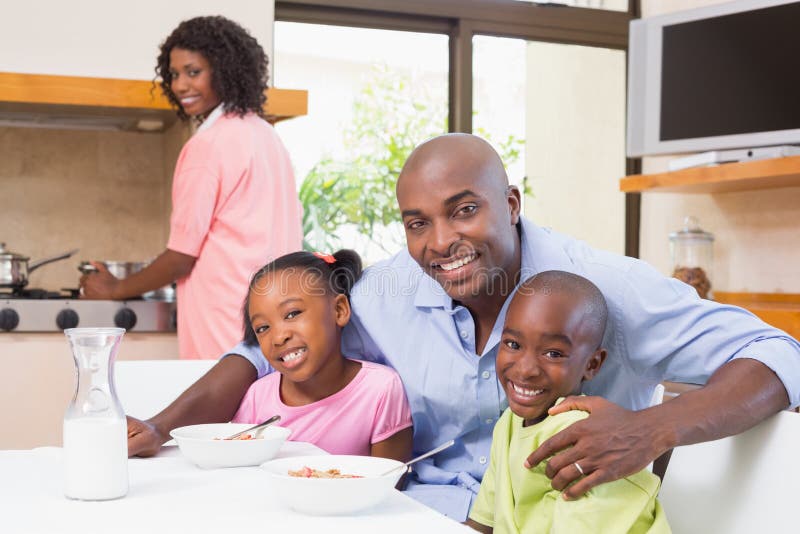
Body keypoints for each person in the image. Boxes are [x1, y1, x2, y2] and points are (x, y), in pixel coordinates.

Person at [125, 133, 799, 521]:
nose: (440, 241)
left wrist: (653, 429)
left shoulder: (603, 289)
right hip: (408, 515)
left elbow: (777, 352)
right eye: (418, 222)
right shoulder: (389, 287)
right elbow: (259, 354)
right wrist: (158, 427)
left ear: (508, 204)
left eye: (464, 210)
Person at [79, 16, 302, 359]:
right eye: (174, 74)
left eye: (193, 72)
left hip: (225, 326)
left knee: (219, 415)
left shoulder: (207, 146)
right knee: (260, 413)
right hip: (273, 324)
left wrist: (116, 288)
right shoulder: (268, 137)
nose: (181, 84)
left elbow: (181, 258)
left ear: (224, 70)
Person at [466, 271, 669, 534]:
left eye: (553, 353)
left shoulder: (586, 441)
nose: (526, 369)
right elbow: (481, 525)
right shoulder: (508, 423)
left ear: (592, 364)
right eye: (513, 344)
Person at [231, 249, 413, 459]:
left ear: (339, 310)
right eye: (263, 328)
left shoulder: (381, 389)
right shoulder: (257, 397)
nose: (278, 338)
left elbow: (389, 482)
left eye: (292, 314)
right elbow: (240, 469)